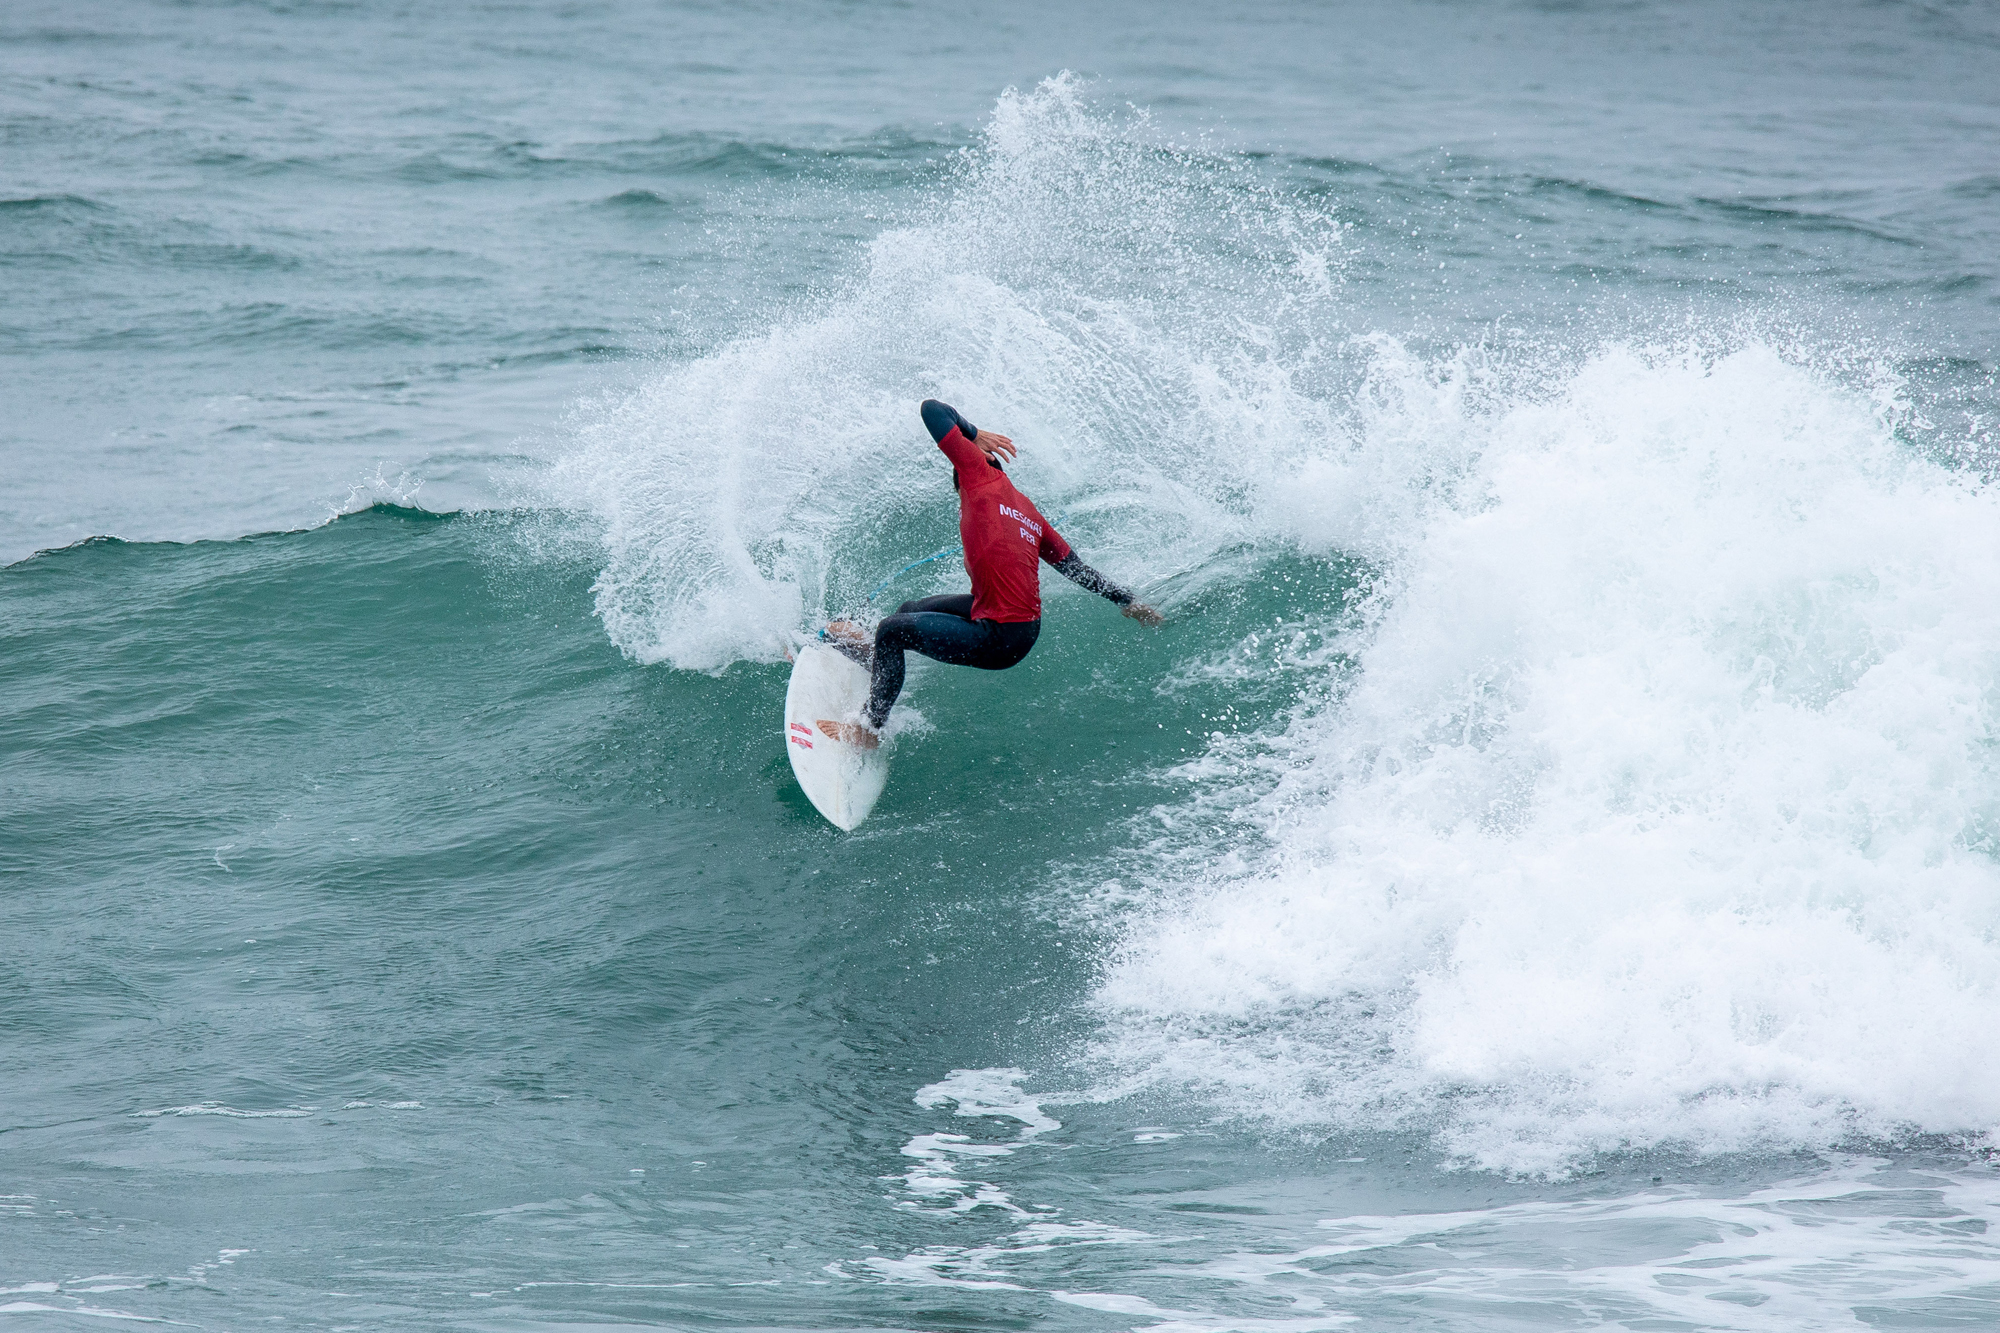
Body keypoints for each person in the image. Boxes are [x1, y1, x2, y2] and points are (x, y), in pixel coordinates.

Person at [821, 399, 1161, 748]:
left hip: (1001, 636)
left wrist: (973, 434)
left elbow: (931, 410)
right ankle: (878, 663)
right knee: (908, 610)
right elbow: (1076, 569)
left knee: (892, 630)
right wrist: (1128, 600)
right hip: (1015, 624)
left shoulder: (976, 474)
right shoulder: (1026, 508)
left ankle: (867, 729)